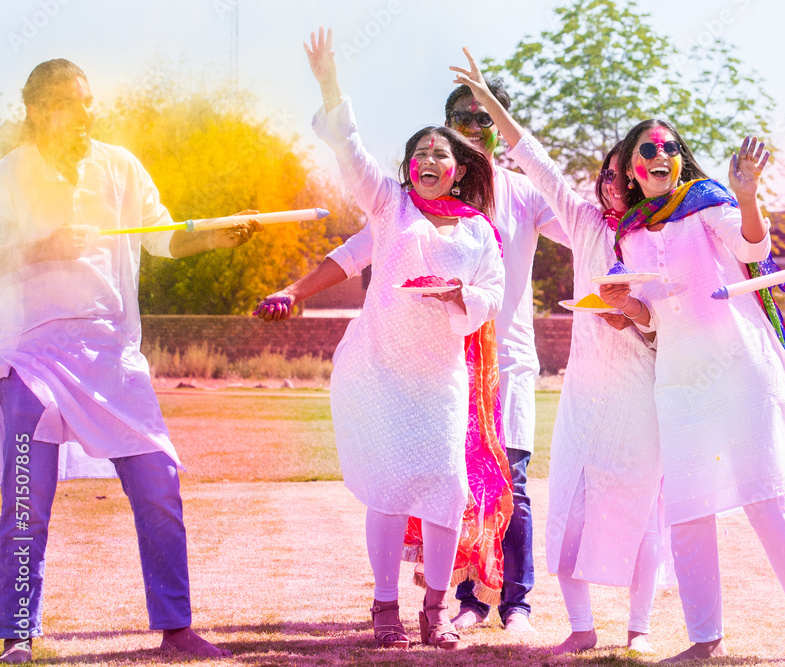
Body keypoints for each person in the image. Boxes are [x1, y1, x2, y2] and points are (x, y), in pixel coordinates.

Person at [258, 45, 566, 637]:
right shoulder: (393, 203)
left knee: (479, 485)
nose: (465, 135)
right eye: (447, 132)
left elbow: (537, 257)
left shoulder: (501, 211)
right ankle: (411, 605)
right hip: (391, 367)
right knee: (393, 484)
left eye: (484, 121)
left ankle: (482, 606)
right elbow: (353, 187)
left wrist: (462, 299)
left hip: (473, 370)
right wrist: (330, 89)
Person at [0, 59, 262, 663]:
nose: (87, 112)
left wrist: (216, 235)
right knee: (23, 497)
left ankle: (175, 627)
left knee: (159, 484)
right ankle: (17, 632)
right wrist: (42, 247)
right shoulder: (10, 174)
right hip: (31, 357)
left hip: (111, 354)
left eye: (90, 100)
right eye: (70, 101)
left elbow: (165, 236)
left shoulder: (120, 166)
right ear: (37, 110)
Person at [450, 48, 667, 655]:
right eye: (606, 176)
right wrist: (490, 102)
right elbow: (535, 159)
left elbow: (676, 321)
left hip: (644, 390)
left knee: (644, 511)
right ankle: (580, 628)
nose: (613, 185)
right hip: (583, 389)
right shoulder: (585, 224)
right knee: (568, 500)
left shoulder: (663, 236)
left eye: (622, 177)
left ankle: (640, 628)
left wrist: (640, 320)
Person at [597, 121, 785, 663]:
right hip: (678, 382)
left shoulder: (708, 203)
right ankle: (705, 638)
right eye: (647, 150)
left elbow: (753, 248)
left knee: (765, 498)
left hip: (740, 371)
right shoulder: (628, 234)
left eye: (670, 148)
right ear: (630, 167)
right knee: (687, 508)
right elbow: (652, 321)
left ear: (681, 159)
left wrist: (747, 196)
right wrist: (624, 307)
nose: (660, 155)